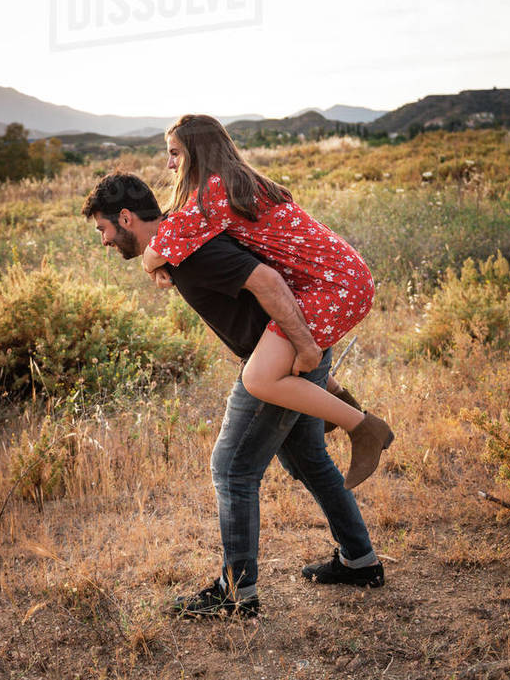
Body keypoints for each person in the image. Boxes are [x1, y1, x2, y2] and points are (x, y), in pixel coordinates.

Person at [83, 171, 386, 619]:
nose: (104, 241)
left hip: (284, 354)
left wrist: (305, 350)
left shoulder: (191, 250)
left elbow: (267, 283)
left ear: (125, 217)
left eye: (103, 230)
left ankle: (236, 592)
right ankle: (359, 561)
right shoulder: (176, 247)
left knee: (232, 469)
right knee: (307, 457)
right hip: (290, 348)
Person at [141, 114, 393, 489]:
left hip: (331, 286)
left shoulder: (214, 192)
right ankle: (333, 399)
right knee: (274, 361)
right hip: (343, 276)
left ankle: (363, 428)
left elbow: (154, 251)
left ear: (196, 151)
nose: (169, 164)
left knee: (259, 377)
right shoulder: (240, 181)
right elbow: (172, 241)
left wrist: (154, 265)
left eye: (175, 153)